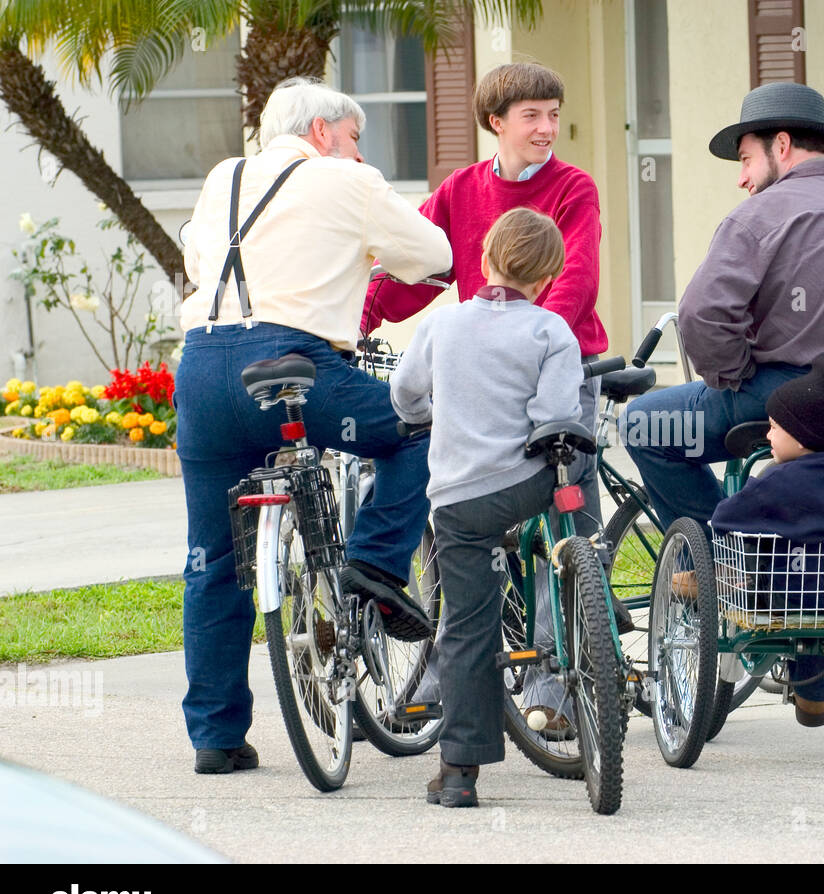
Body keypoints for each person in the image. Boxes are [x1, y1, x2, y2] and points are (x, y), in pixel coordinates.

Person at [176, 77, 452, 774]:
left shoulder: (223, 177)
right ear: (324, 132)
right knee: (418, 429)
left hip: (204, 371)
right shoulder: (343, 180)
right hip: (296, 365)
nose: (360, 153)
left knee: (211, 560)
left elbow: (196, 259)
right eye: (355, 138)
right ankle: (376, 566)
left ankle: (216, 737)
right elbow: (435, 255)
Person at [363, 61, 620, 729]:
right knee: (453, 516)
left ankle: (556, 682)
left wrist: (533, 344)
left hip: (561, 367)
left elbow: (576, 279)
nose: (547, 128)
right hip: (483, 373)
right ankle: (442, 675)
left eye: (554, 114)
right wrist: (360, 320)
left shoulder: (574, 188)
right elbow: (419, 268)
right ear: (496, 123)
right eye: (532, 115)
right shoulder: (459, 190)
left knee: (562, 522)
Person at [625, 82, 824, 530]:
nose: (741, 178)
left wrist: (732, 376)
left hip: (784, 396)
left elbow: (702, 314)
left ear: (781, 145)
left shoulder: (760, 215)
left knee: (644, 424)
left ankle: (719, 559)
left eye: (745, 160)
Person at [389, 207, 581, 808]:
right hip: (526, 485)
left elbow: (404, 393)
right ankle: (581, 594)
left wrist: (426, 420)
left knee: (468, 627)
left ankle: (457, 774)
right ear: (547, 279)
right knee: (564, 486)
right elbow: (554, 418)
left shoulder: (440, 329)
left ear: (482, 260)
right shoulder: (552, 332)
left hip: (460, 500)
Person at [710, 353, 824, 726]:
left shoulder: (778, 481)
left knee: (766, 576)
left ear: (800, 434)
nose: (768, 434)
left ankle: (703, 583)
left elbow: (725, 519)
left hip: (790, 593)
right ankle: (815, 700)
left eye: (775, 427)